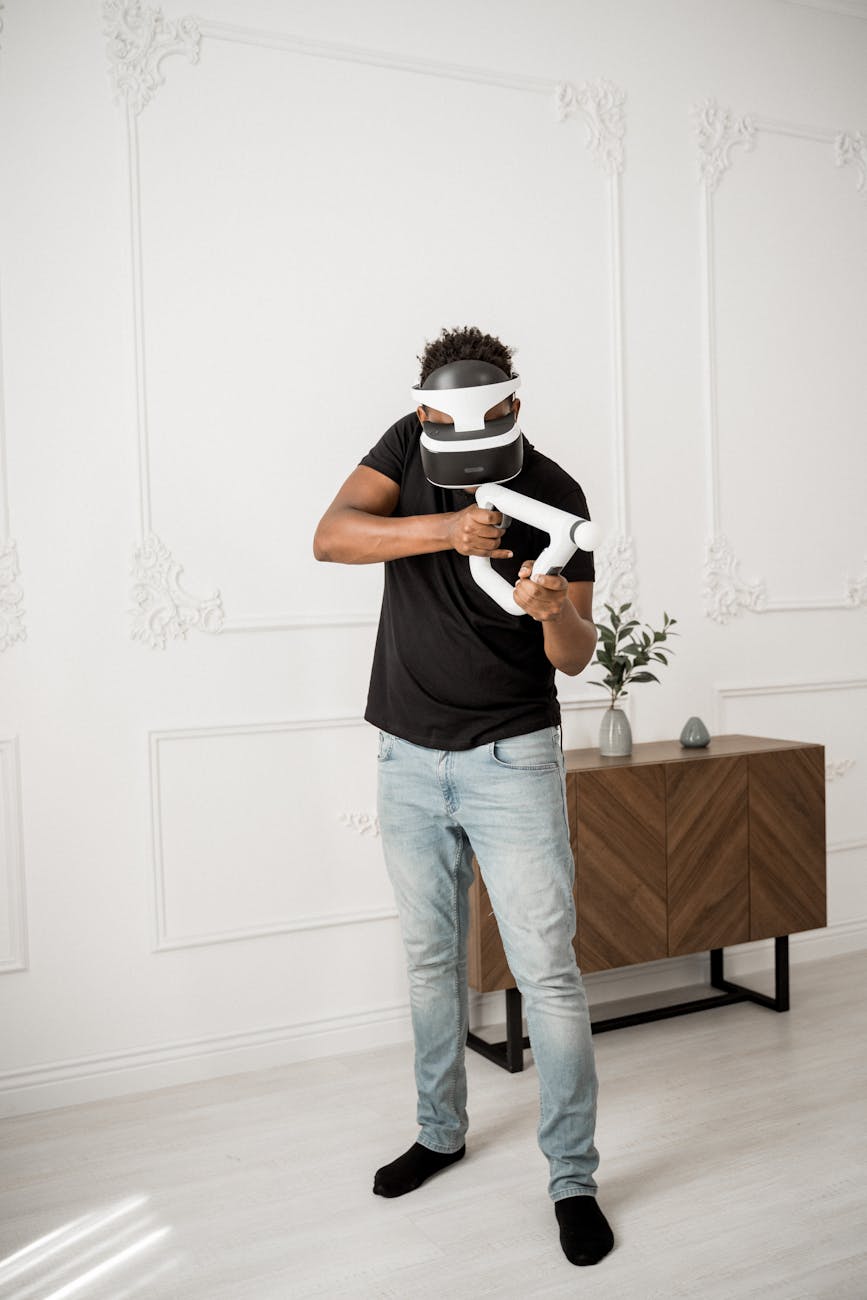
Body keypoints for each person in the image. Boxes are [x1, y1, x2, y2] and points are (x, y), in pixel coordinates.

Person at [313, 325, 615, 1268]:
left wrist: (551, 606)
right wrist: (444, 528)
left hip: (511, 758)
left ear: (516, 407)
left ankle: (572, 1177)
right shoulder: (406, 448)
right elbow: (330, 538)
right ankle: (439, 1134)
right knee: (428, 959)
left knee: (548, 974)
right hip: (405, 752)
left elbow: (575, 656)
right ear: (423, 415)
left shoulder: (556, 493)